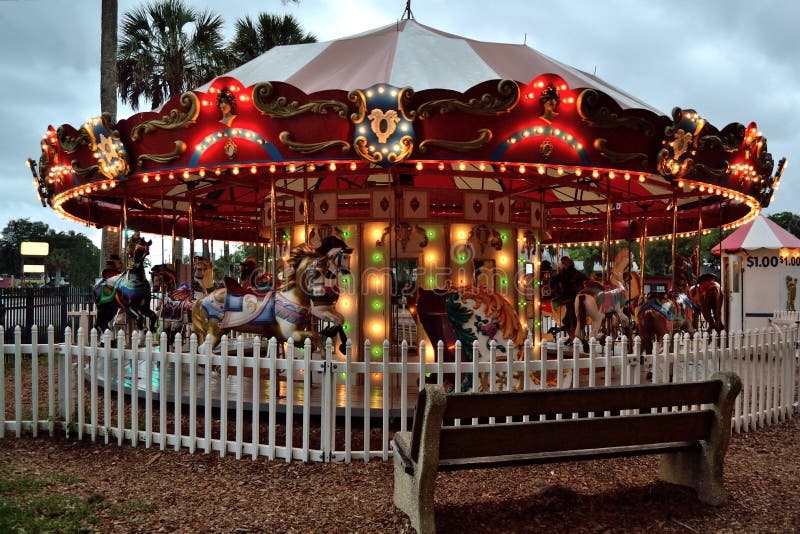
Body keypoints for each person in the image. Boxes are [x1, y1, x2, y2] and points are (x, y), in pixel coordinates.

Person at [550, 255, 587, 340]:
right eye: (562, 263)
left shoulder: (565, 273)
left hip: (570, 297)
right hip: (574, 296)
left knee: (569, 318)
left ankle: (573, 336)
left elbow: (555, 280)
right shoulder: (573, 272)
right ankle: (572, 336)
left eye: (564, 263)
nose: (563, 265)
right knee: (570, 318)